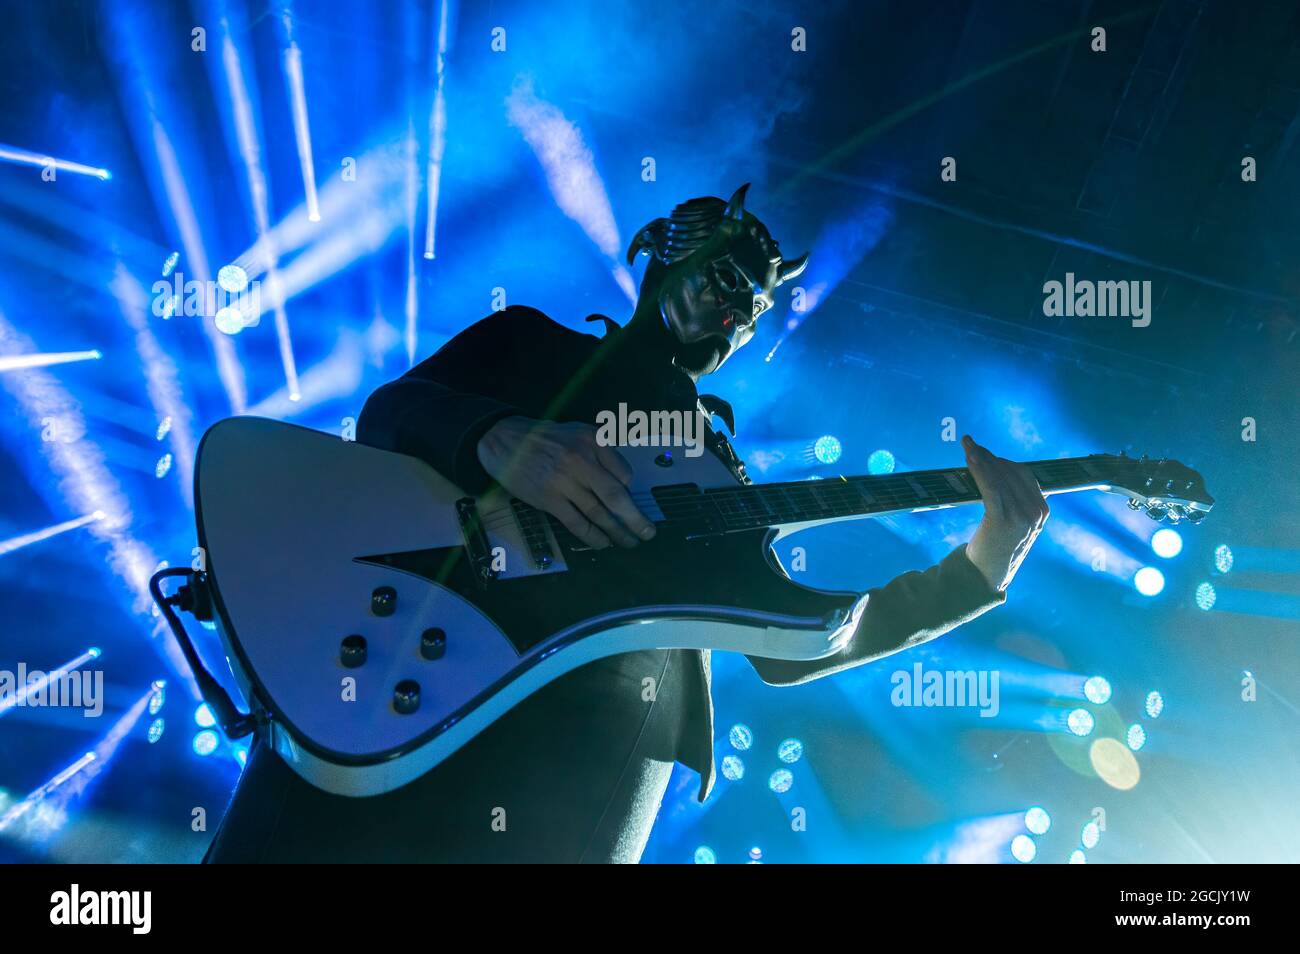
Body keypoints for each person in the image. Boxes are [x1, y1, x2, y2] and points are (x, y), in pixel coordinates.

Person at [204, 185, 1048, 863]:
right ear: (666, 254)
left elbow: (793, 645)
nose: (736, 316)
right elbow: (389, 412)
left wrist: (980, 571)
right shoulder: (532, 342)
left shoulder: (715, 459)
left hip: (594, 740)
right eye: (726, 283)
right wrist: (496, 438)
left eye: (754, 310)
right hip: (401, 648)